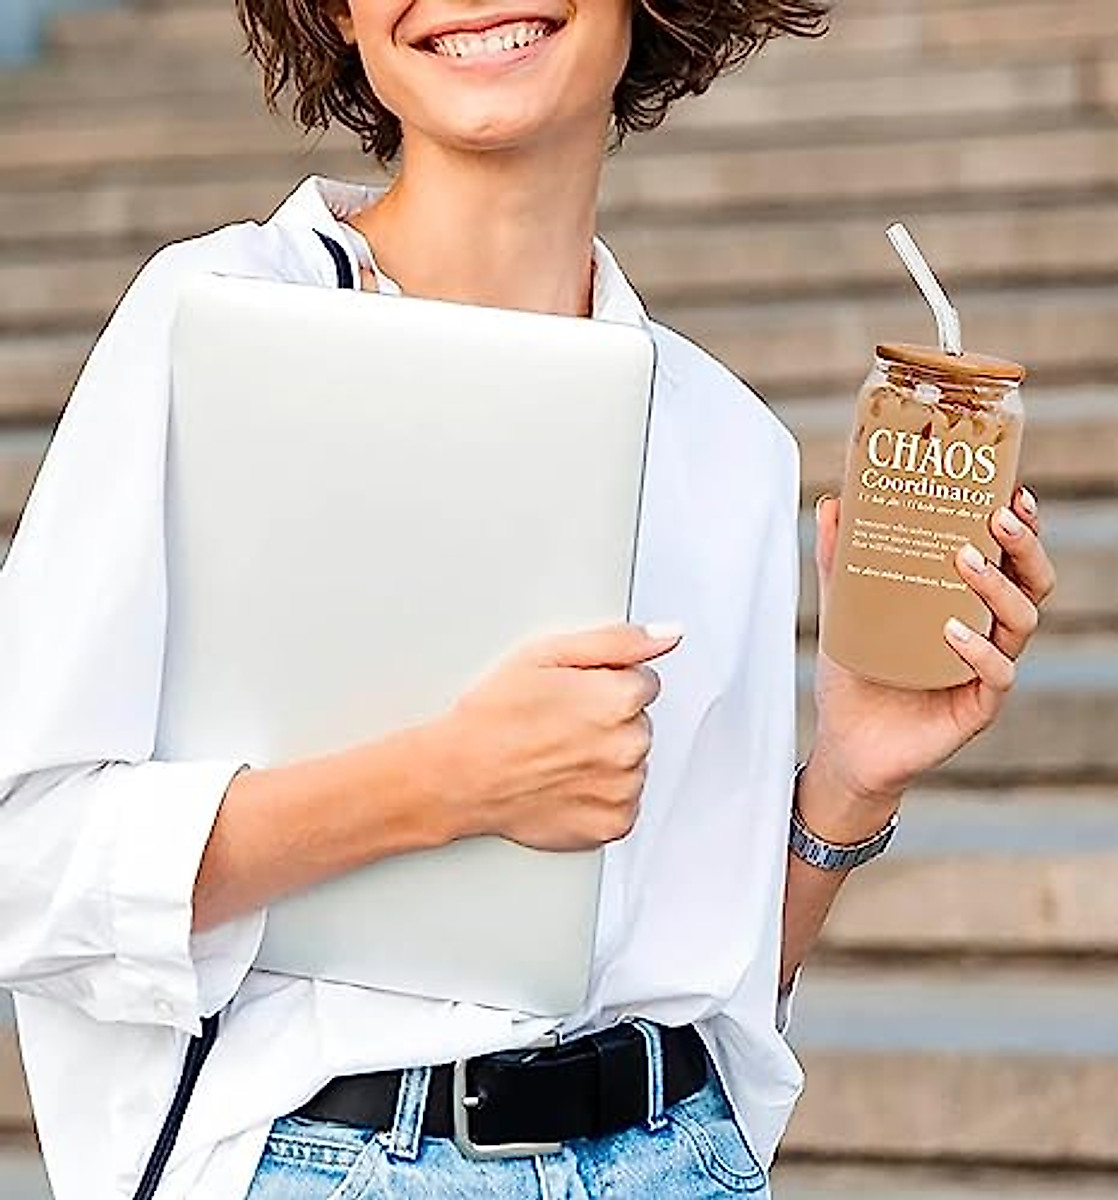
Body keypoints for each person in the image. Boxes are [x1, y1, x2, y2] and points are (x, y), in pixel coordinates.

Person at [0, 1, 1057, 1197]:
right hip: (336, 1161)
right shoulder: (213, 321)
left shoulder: (726, 442)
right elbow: (24, 855)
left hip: (677, 1155)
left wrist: (852, 777)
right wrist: (444, 784)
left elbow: (714, 994)